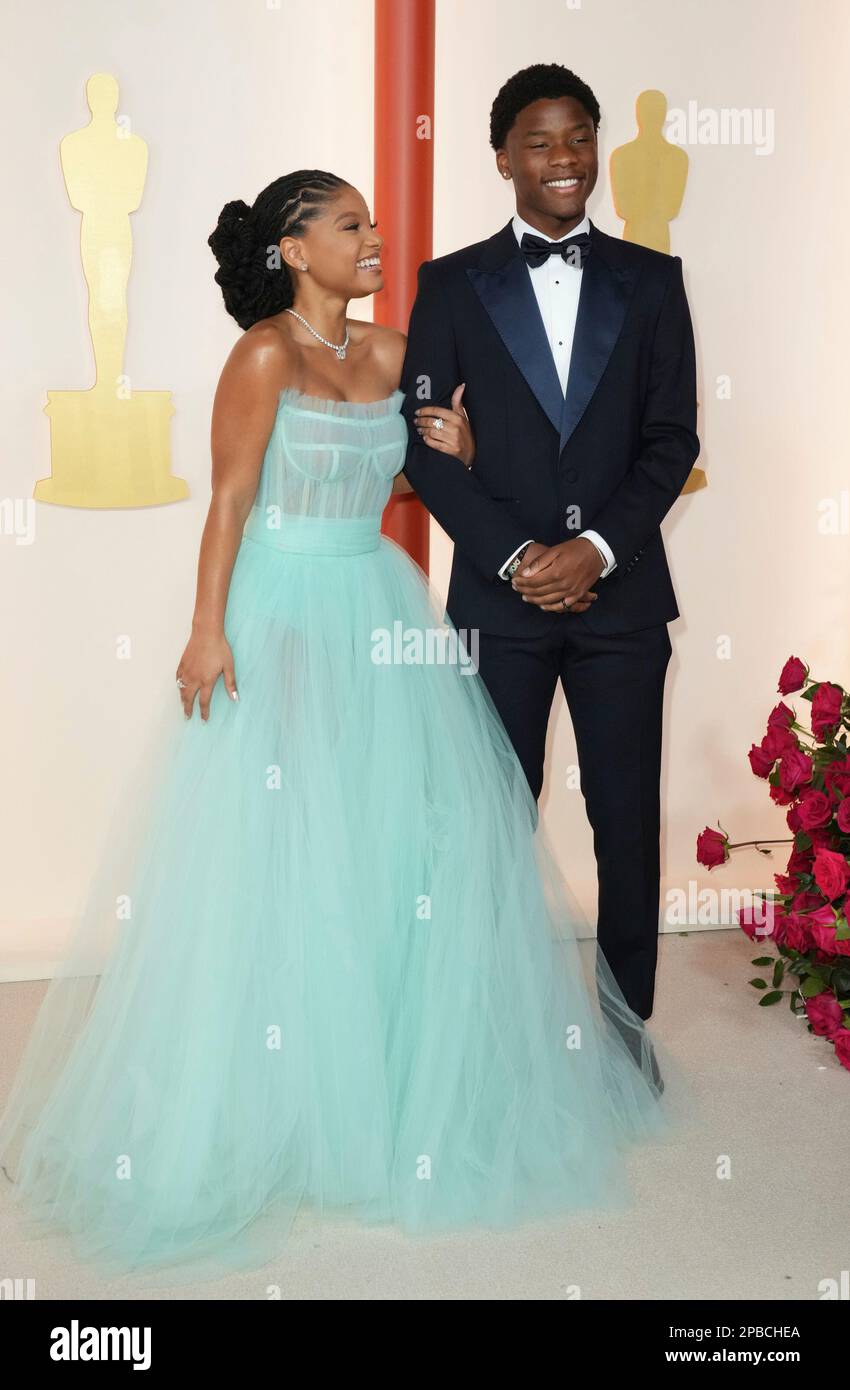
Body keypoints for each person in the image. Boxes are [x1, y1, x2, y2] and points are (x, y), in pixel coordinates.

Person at [0, 169, 684, 1288]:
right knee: (277, 841)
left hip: (374, 603)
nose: (374, 238)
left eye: (372, 221)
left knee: (394, 835)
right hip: (278, 611)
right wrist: (206, 631)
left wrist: (452, 460)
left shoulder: (394, 347)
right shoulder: (262, 355)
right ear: (291, 247)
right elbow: (228, 498)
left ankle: (385, 1080)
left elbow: (401, 480)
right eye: (350, 224)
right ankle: (269, 1093)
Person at [401, 64, 700, 1022]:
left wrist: (599, 548)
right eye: (540, 141)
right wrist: (519, 559)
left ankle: (625, 1035)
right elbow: (425, 445)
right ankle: (486, 1041)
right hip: (500, 605)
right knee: (488, 826)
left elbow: (672, 439)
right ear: (503, 159)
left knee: (626, 824)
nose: (564, 158)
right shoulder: (448, 286)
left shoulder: (654, 282)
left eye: (579, 137)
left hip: (623, 604)